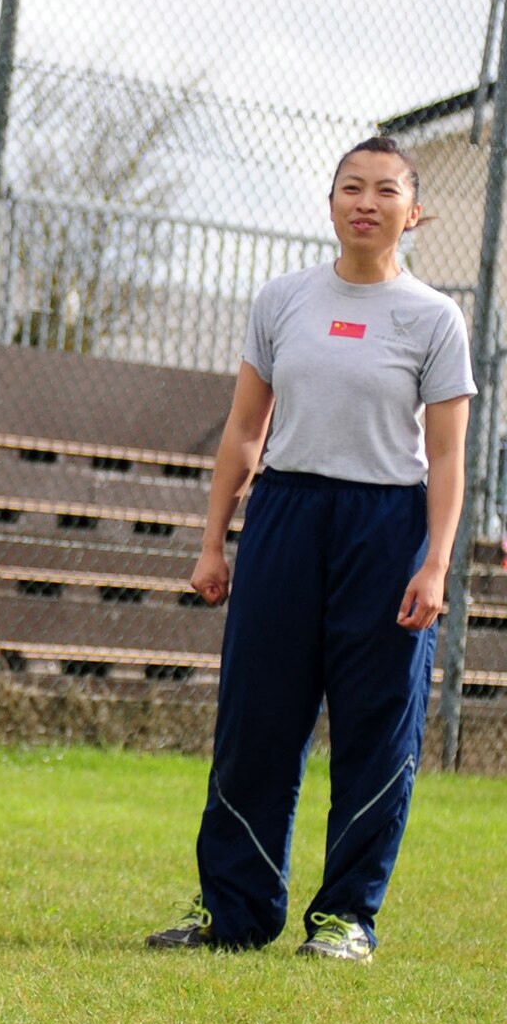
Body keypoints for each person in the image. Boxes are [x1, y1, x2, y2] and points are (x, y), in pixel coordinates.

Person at [147, 135, 473, 960]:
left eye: (385, 190)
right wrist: (213, 542)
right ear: (330, 204)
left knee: (375, 727)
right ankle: (234, 910)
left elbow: (446, 461)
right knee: (256, 720)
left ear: (414, 210)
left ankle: (346, 917)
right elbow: (243, 432)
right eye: (350, 188)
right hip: (286, 518)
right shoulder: (282, 300)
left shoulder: (435, 318)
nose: (367, 202)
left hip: (387, 527)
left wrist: (434, 563)